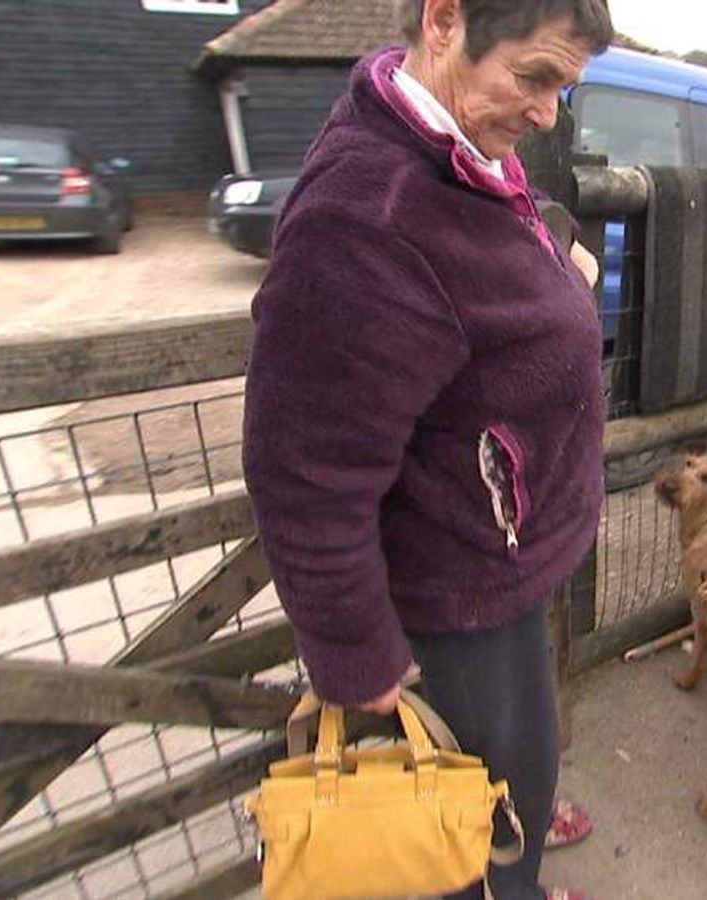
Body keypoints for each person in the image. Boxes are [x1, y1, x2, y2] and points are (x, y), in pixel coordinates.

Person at [240, 0, 613, 897]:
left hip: (499, 558)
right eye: (534, 79)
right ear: (444, 21)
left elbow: (482, 254)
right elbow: (303, 469)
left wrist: (557, 247)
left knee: (514, 773)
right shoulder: (365, 217)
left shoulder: (453, 147)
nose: (546, 114)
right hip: (454, 593)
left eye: (564, 88)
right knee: (465, 819)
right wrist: (353, 649)